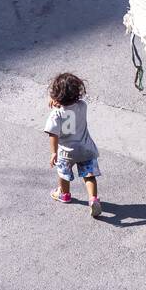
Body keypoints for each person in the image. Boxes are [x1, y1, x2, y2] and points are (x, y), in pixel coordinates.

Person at [44, 72, 102, 217]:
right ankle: (93, 198)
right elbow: (71, 107)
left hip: (66, 152)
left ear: (56, 96)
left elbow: (53, 134)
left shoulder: (56, 114)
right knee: (89, 175)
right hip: (85, 149)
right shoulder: (83, 106)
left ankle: (64, 194)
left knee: (63, 174)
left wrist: (53, 152)